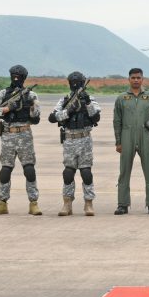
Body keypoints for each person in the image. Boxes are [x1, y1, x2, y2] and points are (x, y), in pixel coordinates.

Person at [0, 64, 42, 216]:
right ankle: (2, 203)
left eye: (19, 76)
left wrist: (30, 107)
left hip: (25, 134)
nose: (16, 78)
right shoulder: (3, 93)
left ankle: (33, 203)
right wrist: (7, 109)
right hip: (8, 135)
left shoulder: (31, 95)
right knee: (5, 170)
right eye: (14, 76)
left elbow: (36, 119)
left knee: (29, 169)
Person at [48, 71, 102, 217]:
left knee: (86, 172)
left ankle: (88, 203)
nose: (75, 84)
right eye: (73, 82)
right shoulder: (64, 100)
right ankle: (67, 203)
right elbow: (52, 117)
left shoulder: (90, 99)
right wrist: (68, 111)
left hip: (84, 139)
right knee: (68, 172)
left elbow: (96, 117)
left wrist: (87, 103)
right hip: (69, 139)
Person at [113, 68, 149, 215]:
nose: (136, 80)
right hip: (126, 136)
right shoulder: (121, 98)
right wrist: (118, 142)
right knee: (124, 171)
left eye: (138, 78)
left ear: (142, 79)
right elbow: (117, 121)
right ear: (129, 79)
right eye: (133, 77)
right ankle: (122, 204)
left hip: (145, 136)